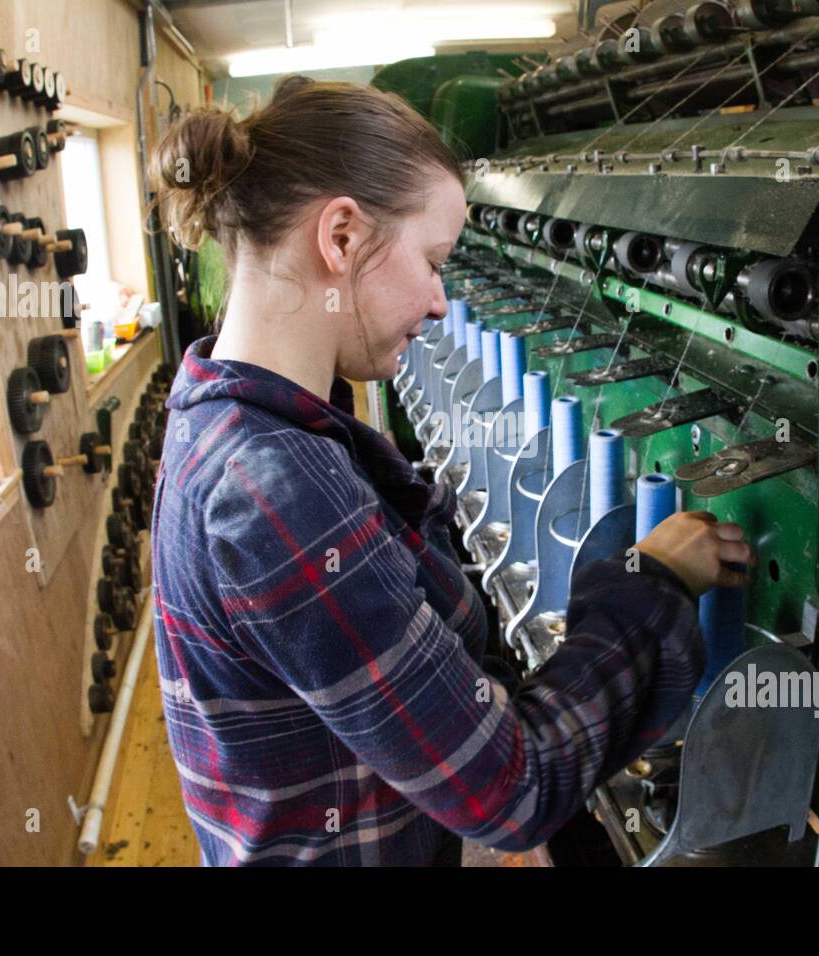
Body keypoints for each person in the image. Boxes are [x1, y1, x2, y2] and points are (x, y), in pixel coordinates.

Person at [147, 76, 753, 866]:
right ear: (339, 238)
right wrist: (653, 582)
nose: (440, 302)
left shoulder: (226, 420)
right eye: (433, 261)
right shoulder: (275, 489)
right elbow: (513, 789)